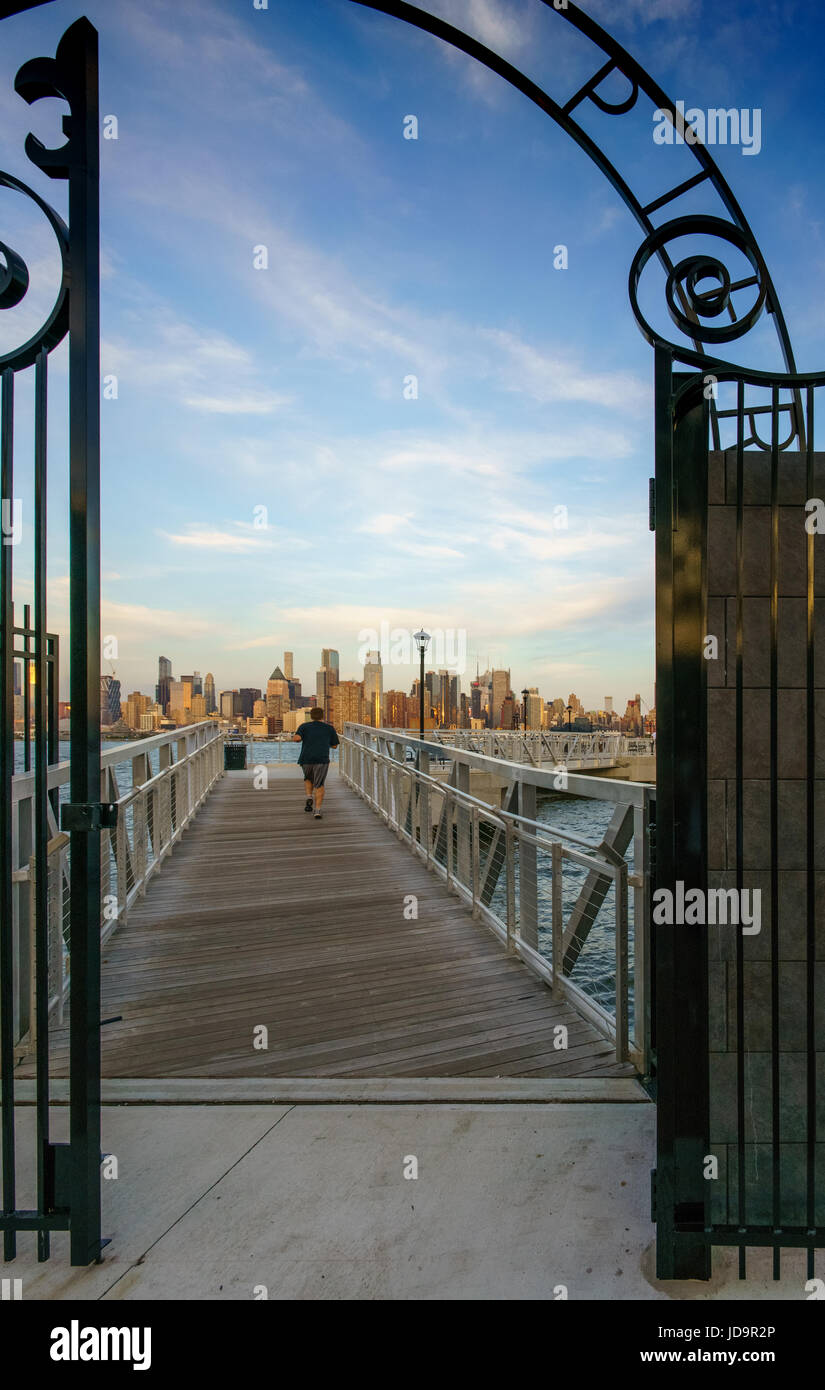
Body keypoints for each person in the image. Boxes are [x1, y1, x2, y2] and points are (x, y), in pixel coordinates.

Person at [293, 707, 339, 820]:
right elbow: (334, 746)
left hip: (306, 758)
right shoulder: (329, 728)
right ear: (323, 716)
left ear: (311, 716)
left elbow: (296, 738)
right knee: (319, 784)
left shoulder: (304, 726)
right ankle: (317, 810)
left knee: (308, 778)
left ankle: (309, 796)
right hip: (321, 759)